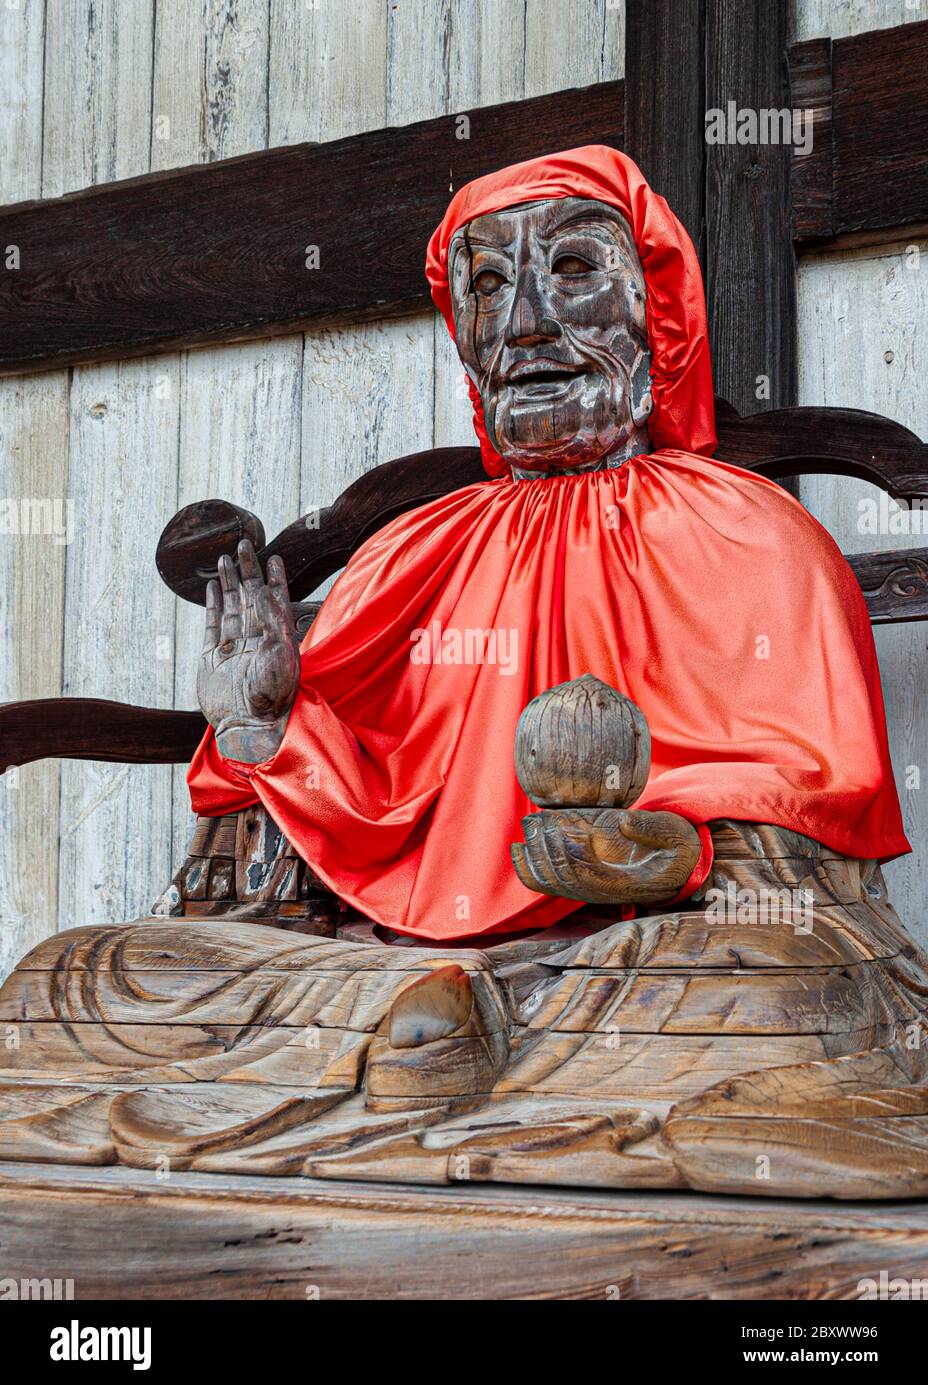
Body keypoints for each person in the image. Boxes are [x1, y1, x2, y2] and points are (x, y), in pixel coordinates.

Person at [187, 146, 908, 942]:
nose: (526, 323)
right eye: (490, 285)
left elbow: (812, 861)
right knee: (103, 978)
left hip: (634, 969)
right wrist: (263, 734)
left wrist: (647, 852)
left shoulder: (753, 536)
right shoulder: (407, 556)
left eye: (571, 267)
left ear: (656, 308)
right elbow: (329, 842)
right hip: (392, 961)